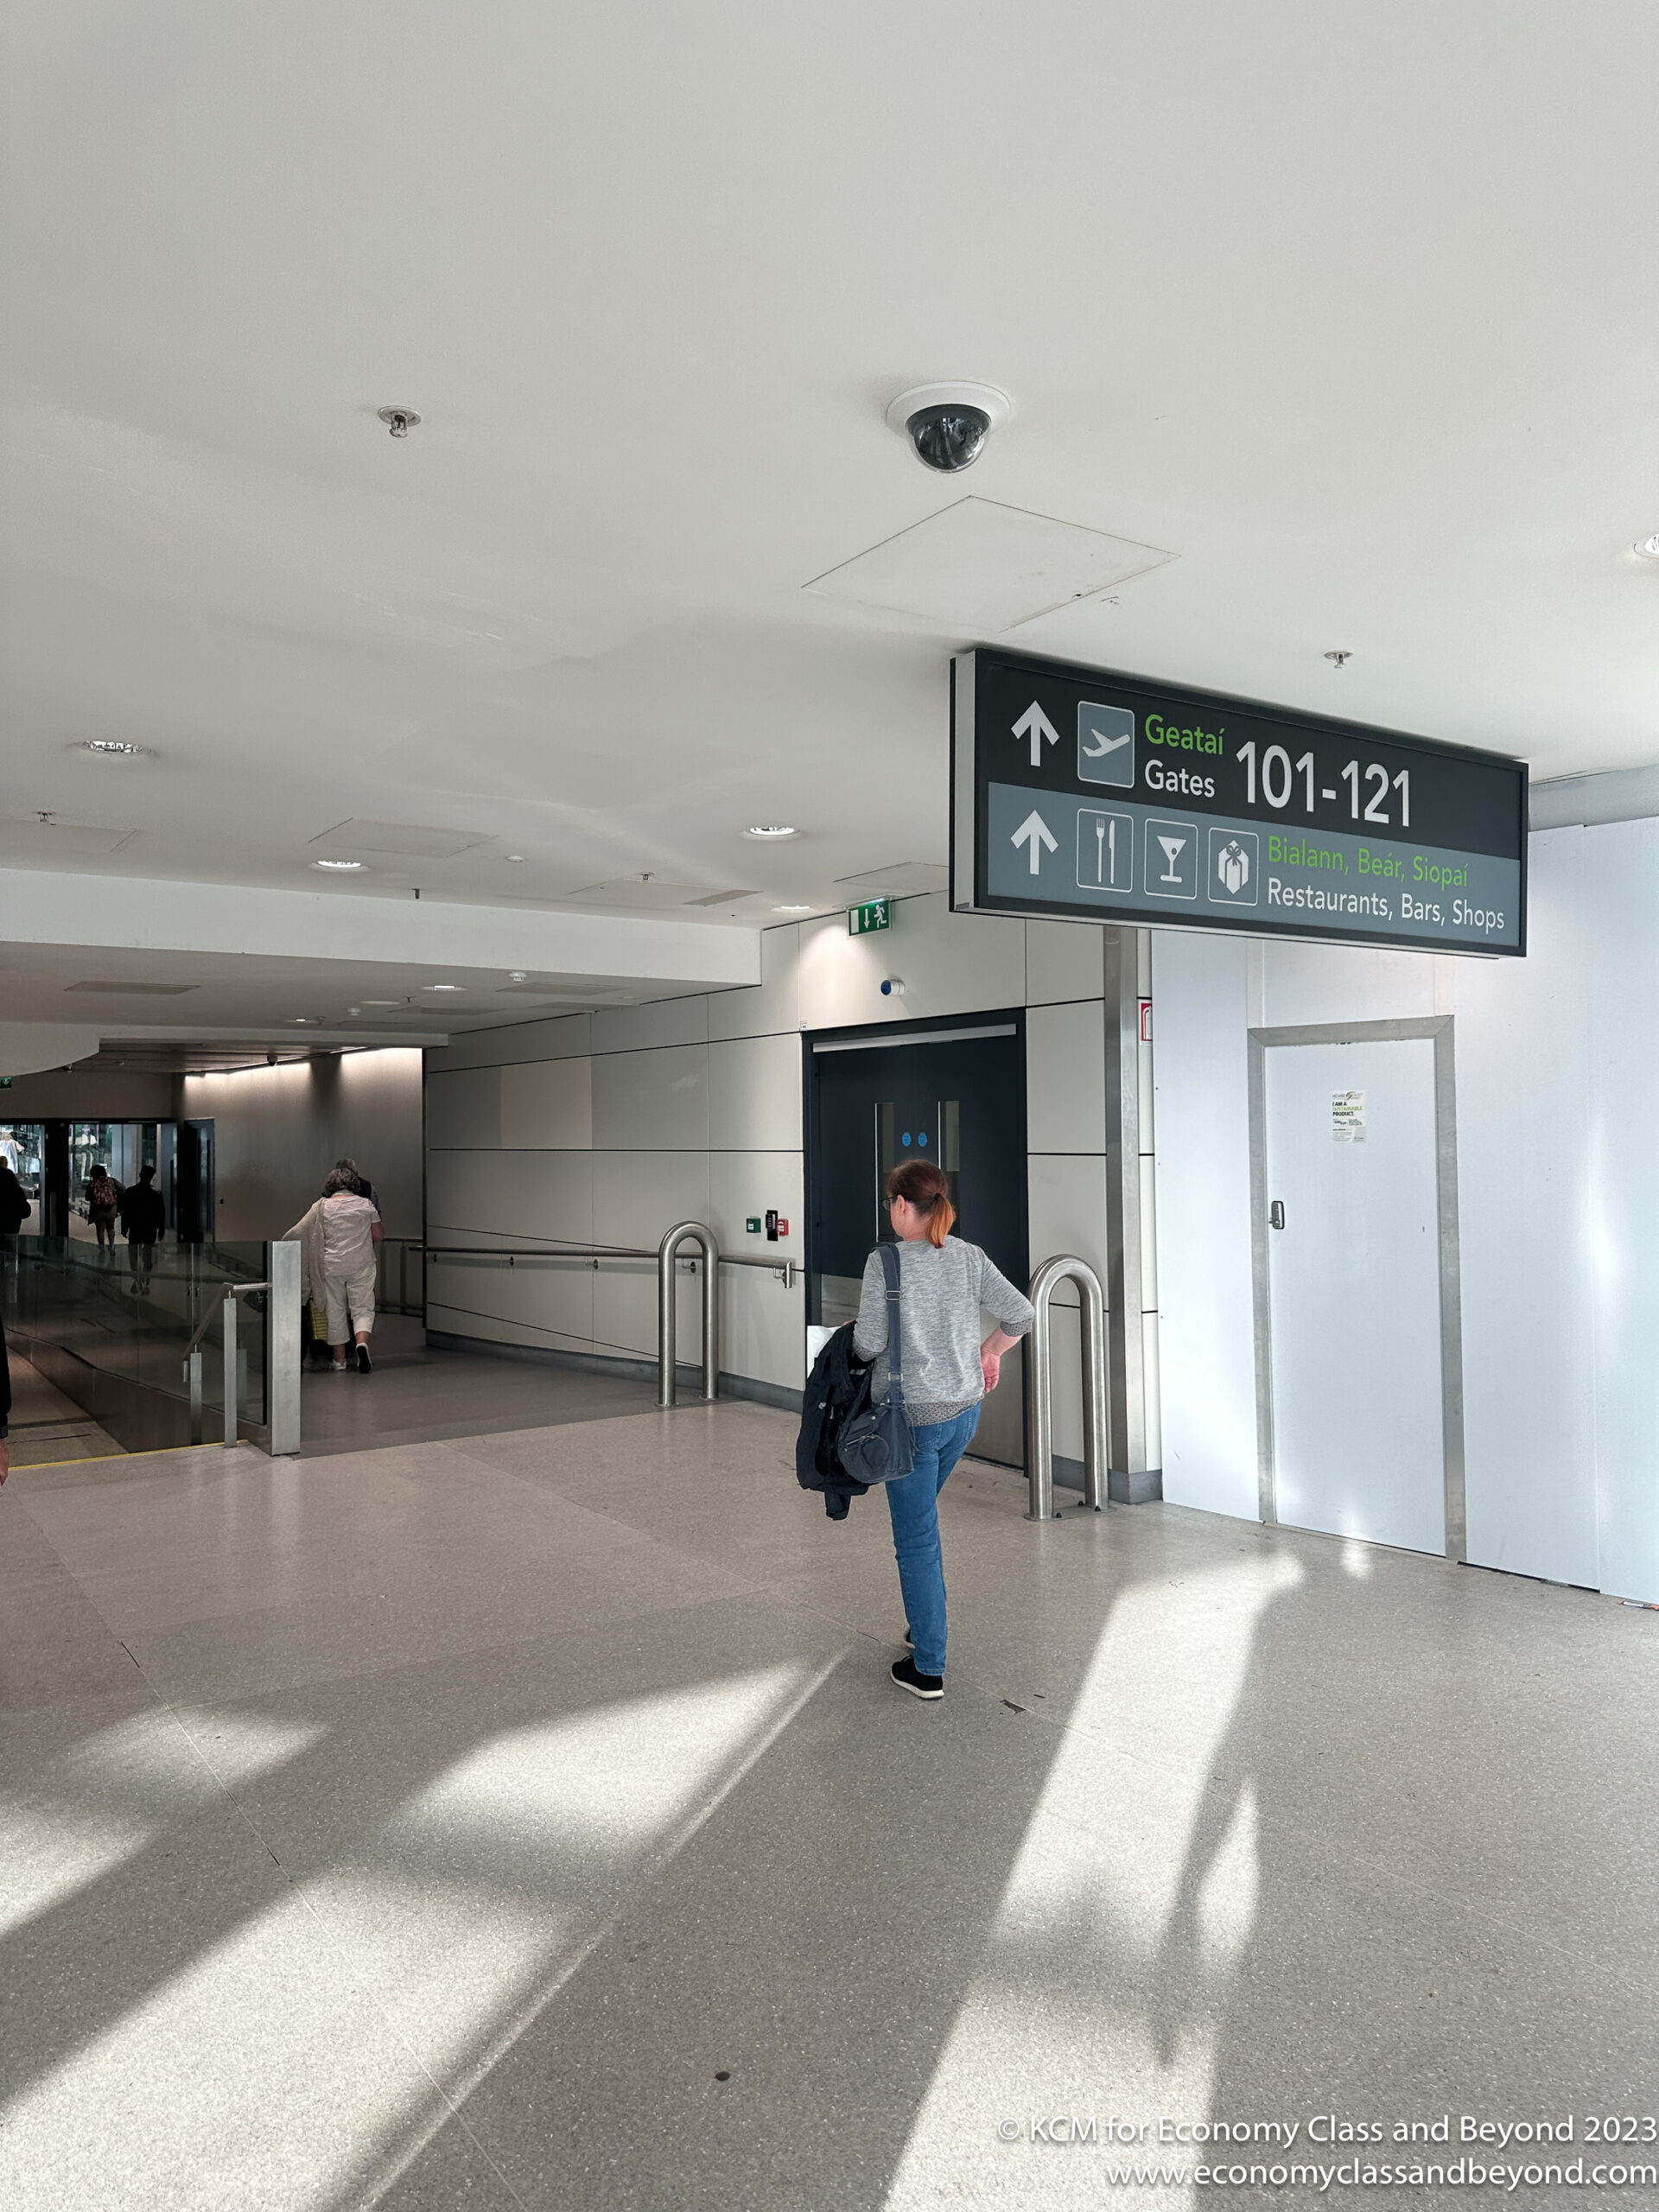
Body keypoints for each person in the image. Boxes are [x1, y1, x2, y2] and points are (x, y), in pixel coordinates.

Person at [852, 1158, 1033, 1701]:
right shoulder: (969, 1256)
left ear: (900, 1204)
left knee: (916, 1539)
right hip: (963, 1415)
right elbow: (1021, 1314)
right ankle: (924, 1620)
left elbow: (869, 1344)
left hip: (908, 1421)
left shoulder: (885, 1262)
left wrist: (848, 1340)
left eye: (890, 1202)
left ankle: (928, 1666)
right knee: (921, 1525)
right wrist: (990, 1351)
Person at [289, 1165, 382, 1373]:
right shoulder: (366, 1204)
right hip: (362, 1264)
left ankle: (339, 1361)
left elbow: (298, 1231)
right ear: (354, 1185)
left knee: (336, 1311)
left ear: (330, 1186)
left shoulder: (321, 1207)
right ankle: (361, 1343)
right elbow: (378, 1235)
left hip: (332, 1266)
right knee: (363, 1307)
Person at [118, 1164, 166, 1293]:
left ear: (140, 1175)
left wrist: (124, 1227)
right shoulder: (156, 1193)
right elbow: (161, 1213)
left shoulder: (130, 1191)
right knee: (148, 1254)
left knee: (133, 1254)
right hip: (150, 1228)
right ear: (152, 1177)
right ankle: (146, 1280)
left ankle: (136, 1278)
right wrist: (161, 1229)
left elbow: (126, 1211)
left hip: (135, 1227)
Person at [86, 1162, 121, 1251]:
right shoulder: (112, 1181)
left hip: (98, 1210)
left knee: (100, 1230)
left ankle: (101, 1249)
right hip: (111, 1209)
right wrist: (114, 1194)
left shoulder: (92, 1183)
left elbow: (87, 1197)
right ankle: (112, 1246)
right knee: (111, 1228)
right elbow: (123, 1188)